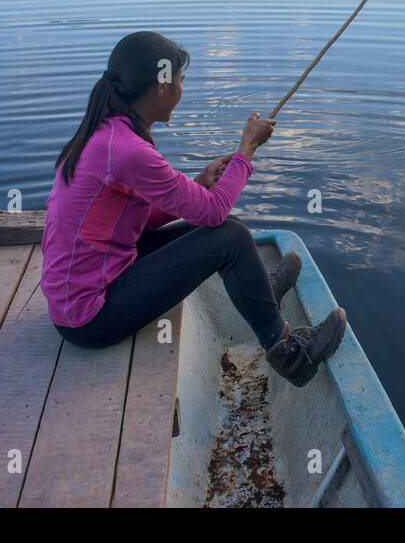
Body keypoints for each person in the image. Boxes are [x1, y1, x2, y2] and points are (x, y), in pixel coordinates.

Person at [40, 30, 345, 387]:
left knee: (223, 229)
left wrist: (199, 183)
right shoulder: (126, 149)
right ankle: (289, 355)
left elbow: (138, 223)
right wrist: (246, 150)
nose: (182, 91)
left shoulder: (109, 131)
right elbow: (213, 211)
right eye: (181, 82)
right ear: (161, 87)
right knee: (228, 234)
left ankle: (261, 294)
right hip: (90, 317)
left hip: (87, 289)